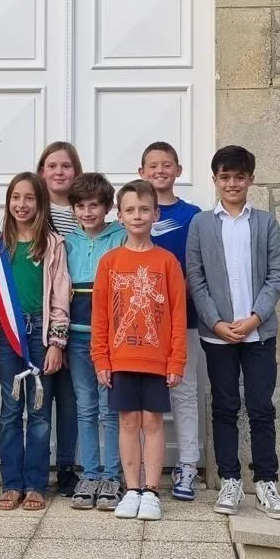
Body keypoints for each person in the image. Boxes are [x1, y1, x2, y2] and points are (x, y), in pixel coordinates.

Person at [186, 145, 280, 520]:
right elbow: (195, 277)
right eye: (225, 177)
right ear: (215, 180)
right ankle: (230, 479)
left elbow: (278, 274)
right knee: (225, 406)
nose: (232, 183)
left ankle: (266, 481)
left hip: (258, 334)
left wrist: (254, 318)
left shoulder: (265, 223)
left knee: (261, 407)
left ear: (250, 179)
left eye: (239, 177)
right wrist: (215, 321)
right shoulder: (201, 224)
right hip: (217, 335)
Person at [92, 180, 187, 520]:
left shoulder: (167, 262)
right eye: (130, 210)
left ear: (155, 214)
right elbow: (100, 315)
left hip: (156, 360)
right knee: (128, 422)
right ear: (119, 216)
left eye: (144, 209)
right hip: (121, 358)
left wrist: (176, 359)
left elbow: (177, 315)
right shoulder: (110, 262)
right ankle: (131, 488)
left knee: (153, 422)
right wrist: (100, 357)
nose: (137, 216)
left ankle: (151, 491)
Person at [0, 172, 70, 512]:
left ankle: (35, 483)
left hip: (40, 333)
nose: (22, 204)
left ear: (40, 202)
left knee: (39, 412)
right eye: (16, 197)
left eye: (29, 198)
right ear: (8, 202)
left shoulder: (53, 244)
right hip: (6, 335)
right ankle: (11, 483)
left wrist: (56, 343)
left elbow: (61, 296)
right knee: (9, 411)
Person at [139, 141, 202, 501]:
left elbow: (197, 266)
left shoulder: (193, 215)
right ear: (141, 172)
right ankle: (143, 468)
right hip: (141, 326)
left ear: (178, 170)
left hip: (183, 319)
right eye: (153, 166)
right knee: (143, 397)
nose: (160, 171)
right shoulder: (134, 211)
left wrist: (178, 297)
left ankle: (189, 464)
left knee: (185, 391)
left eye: (167, 165)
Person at [64, 173, 126, 511]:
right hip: (76, 337)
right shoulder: (67, 242)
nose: (88, 212)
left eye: (94, 205)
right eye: (81, 206)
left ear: (107, 207)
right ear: (73, 209)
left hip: (110, 340)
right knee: (85, 408)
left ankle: (111, 476)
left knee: (109, 409)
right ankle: (89, 474)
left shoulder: (120, 238)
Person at [36, 141, 81, 496]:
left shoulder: (85, 212)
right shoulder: (35, 213)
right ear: (41, 172)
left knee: (70, 399)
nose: (59, 172)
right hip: (43, 313)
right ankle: (37, 464)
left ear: (75, 172)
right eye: (52, 166)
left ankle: (67, 466)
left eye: (66, 166)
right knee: (41, 396)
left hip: (77, 314)